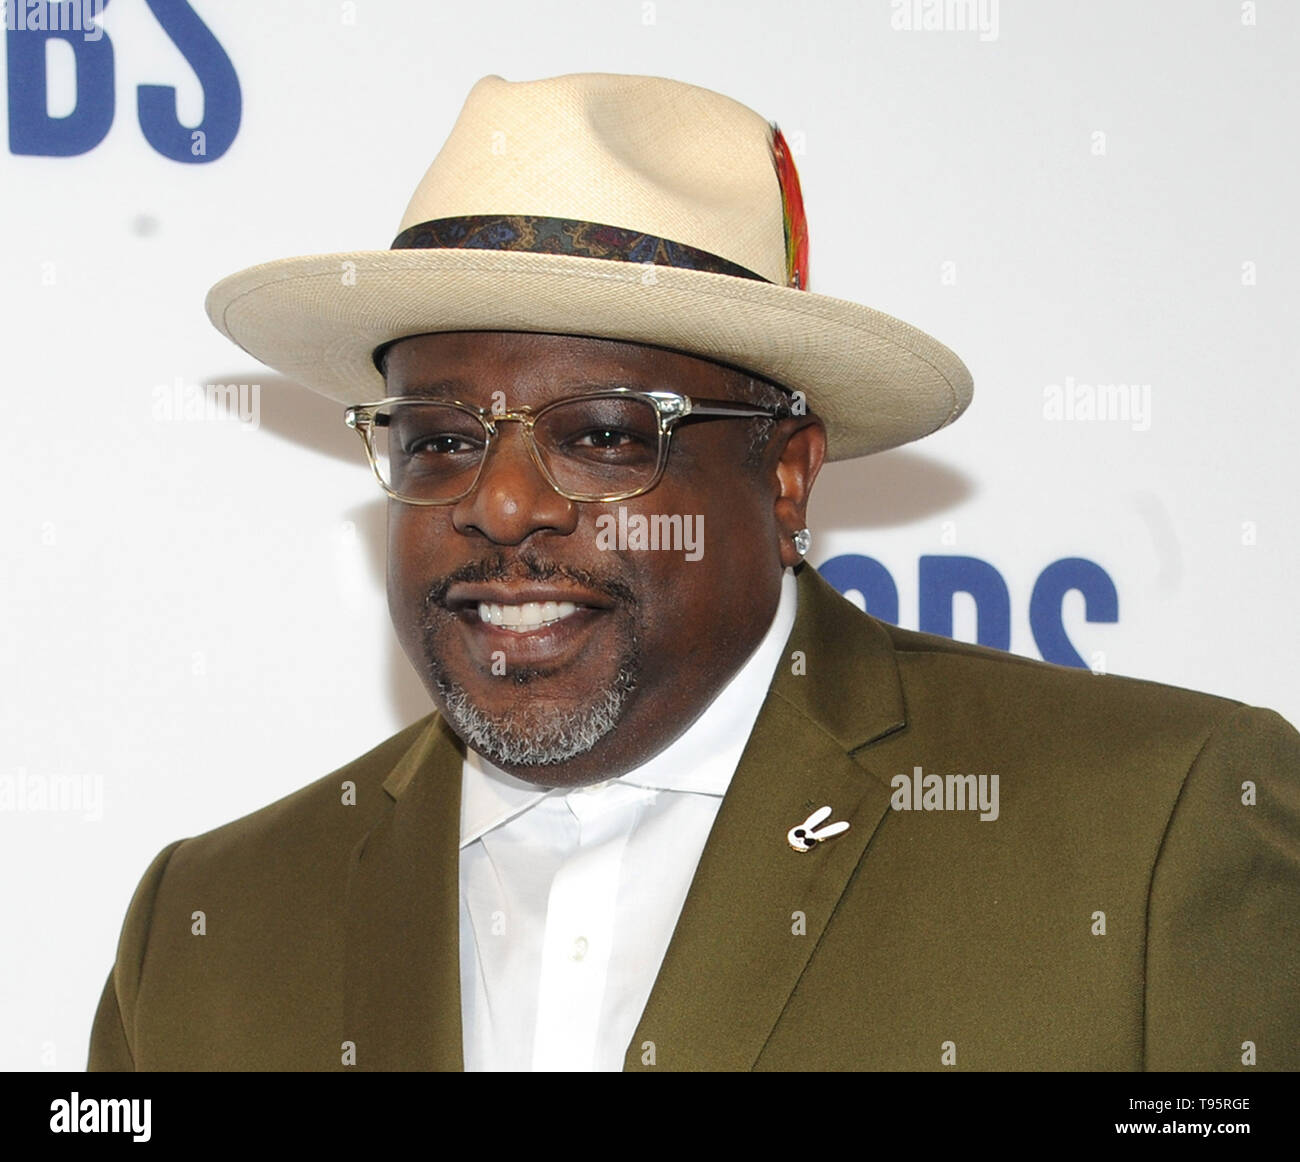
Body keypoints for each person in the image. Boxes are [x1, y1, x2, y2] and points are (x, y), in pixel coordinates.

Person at [89, 72, 1299, 1072]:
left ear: (785, 479)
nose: (501, 503)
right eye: (441, 438)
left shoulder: (1157, 833)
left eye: (605, 433)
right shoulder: (209, 928)